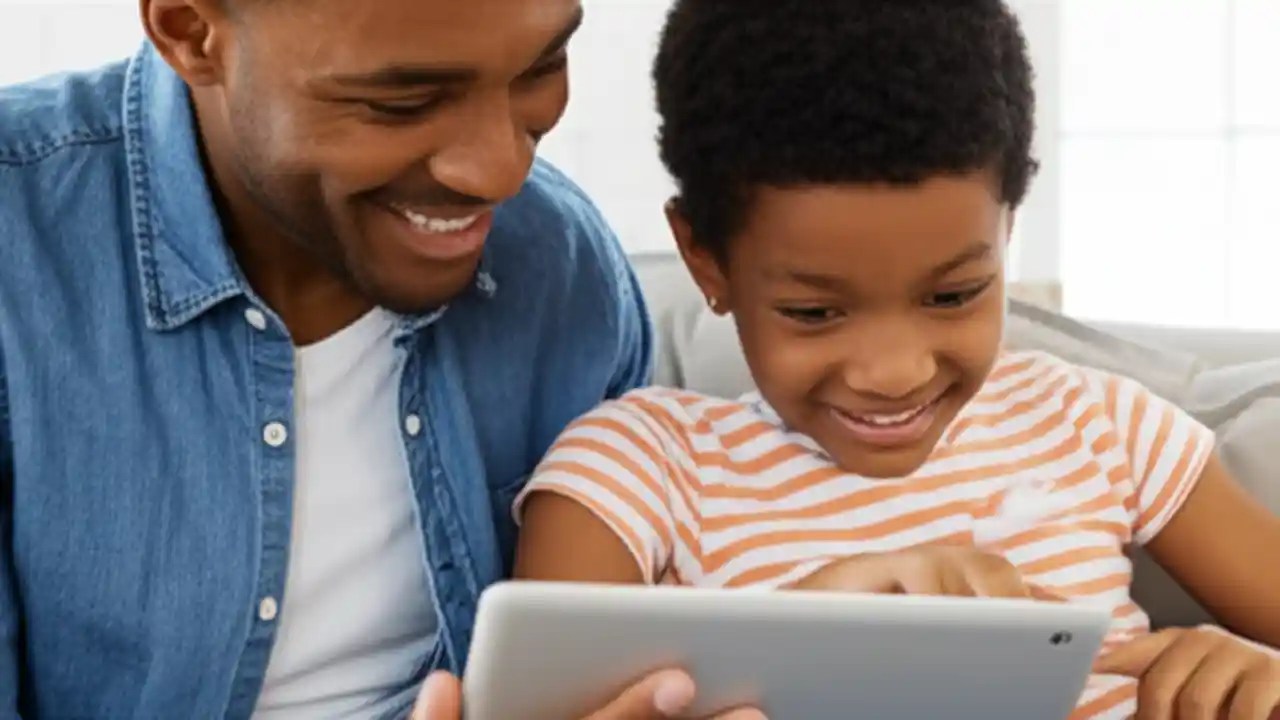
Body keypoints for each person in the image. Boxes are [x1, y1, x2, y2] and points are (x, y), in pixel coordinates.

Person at [513, 1, 1280, 718]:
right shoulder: (641, 469)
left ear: (1007, 229)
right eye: (815, 313)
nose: (895, 372)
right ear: (706, 261)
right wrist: (805, 635)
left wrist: (1258, 680)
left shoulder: (1097, 424)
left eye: (954, 295)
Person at [0, 0, 760, 717]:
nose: (499, 172)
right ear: (191, 30)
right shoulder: (20, 245)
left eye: (540, 66)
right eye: (403, 103)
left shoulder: (564, 270)